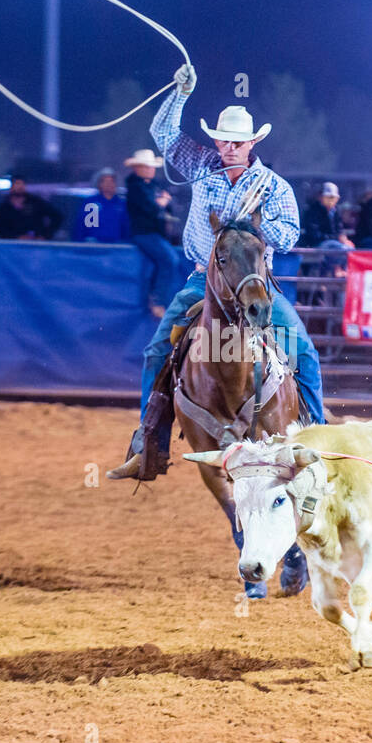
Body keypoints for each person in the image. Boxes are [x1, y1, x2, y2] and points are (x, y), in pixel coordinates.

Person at [108, 62, 324, 481]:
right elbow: (163, 135)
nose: (228, 148)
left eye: (236, 142)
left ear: (251, 144)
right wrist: (180, 94)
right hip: (202, 282)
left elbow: (292, 231)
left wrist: (250, 227)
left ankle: (319, 439)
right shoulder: (202, 164)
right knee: (158, 351)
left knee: (305, 353)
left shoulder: (273, 186)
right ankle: (148, 444)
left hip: (251, 285)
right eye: (224, 140)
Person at [124, 148, 179, 318]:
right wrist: (161, 202)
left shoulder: (152, 186)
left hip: (156, 233)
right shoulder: (135, 188)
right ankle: (158, 300)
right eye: (147, 167)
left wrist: (164, 203)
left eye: (151, 166)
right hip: (145, 233)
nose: (151, 170)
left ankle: (160, 299)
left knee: (168, 260)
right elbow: (151, 208)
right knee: (170, 260)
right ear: (137, 168)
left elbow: (164, 209)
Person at [0, 174, 63, 240]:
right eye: (17, 184)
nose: (20, 187)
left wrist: (45, 235)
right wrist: (16, 238)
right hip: (13, 246)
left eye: (22, 184)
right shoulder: (4, 207)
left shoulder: (36, 203)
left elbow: (57, 216)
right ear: (11, 186)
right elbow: (1, 229)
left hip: (36, 245)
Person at [73, 168, 131, 243]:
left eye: (111, 181)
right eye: (105, 181)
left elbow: (126, 226)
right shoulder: (91, 203)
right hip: (94, 246)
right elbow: (81, 226)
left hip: (116, 247)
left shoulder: (122, 204)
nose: (109, 184)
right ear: (98, 184)